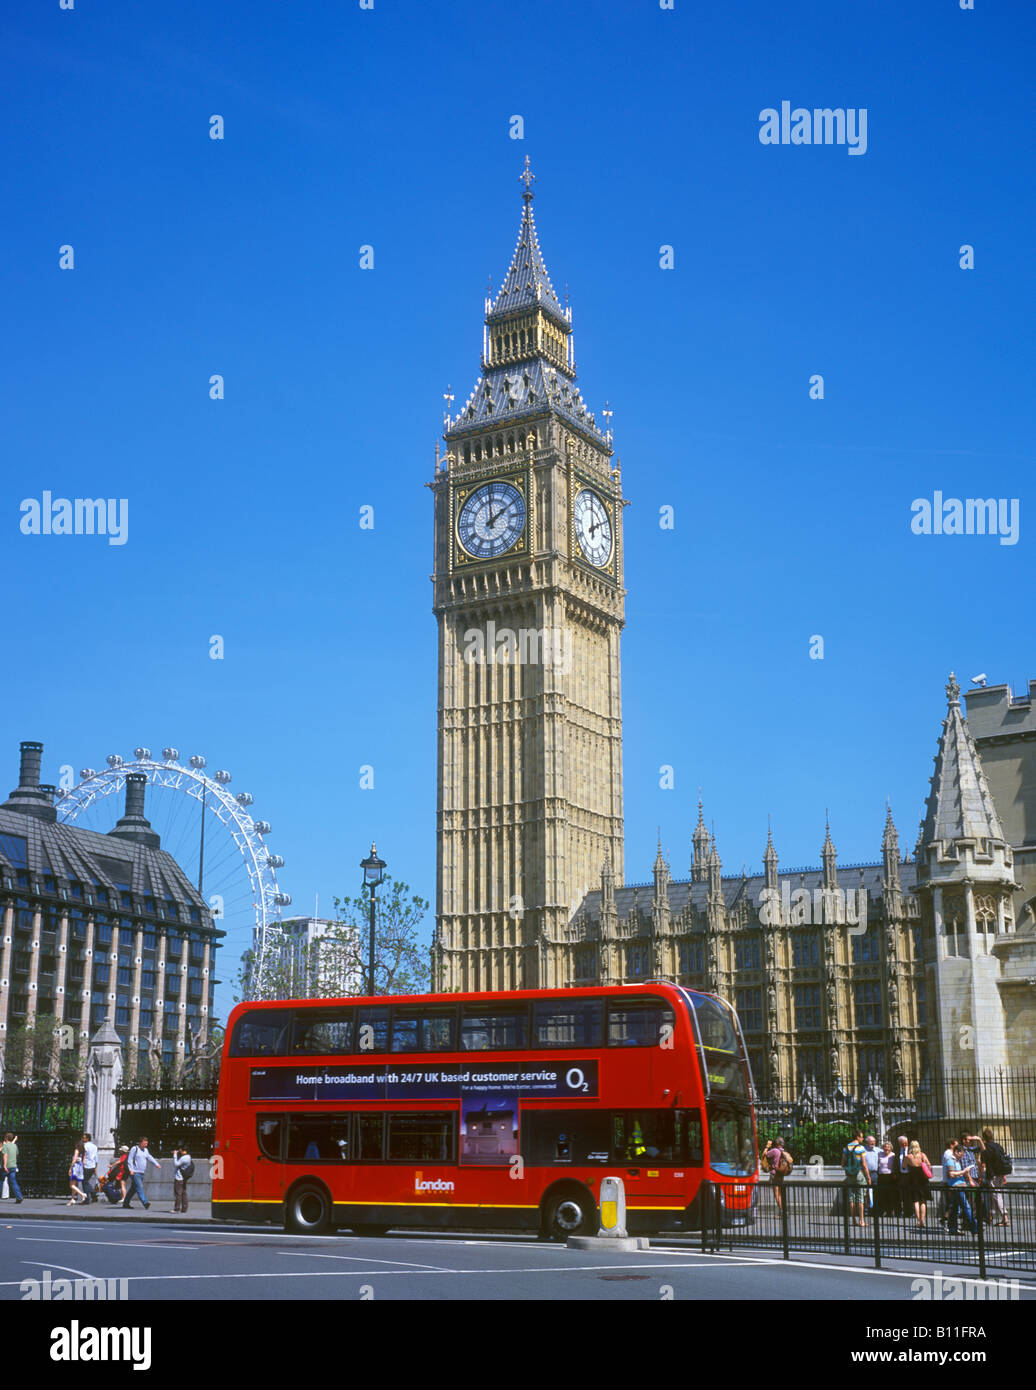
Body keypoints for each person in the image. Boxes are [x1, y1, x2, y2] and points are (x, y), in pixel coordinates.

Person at [974, 1126, 1010, 1226]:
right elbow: (1003, 1160)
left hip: (992, 1174)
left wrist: (980, 1176)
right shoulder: (998, 1146)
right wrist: (1004, 1175)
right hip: (1000, 1173)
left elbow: (982, 1164)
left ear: (984, 1138)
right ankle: (990, 1216)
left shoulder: (986, 1148)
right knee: (994, 1195)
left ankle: (1005, 1217)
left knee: (996, 1195)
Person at [946, 1143, 978, 1235]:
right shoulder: (950, 1161)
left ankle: (953, 1228)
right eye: (961, 1154)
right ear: (956, 1152)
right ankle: (974, 1227)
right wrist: (964, 1172)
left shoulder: (957, 1161)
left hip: (960, 1186)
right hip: (956, 1187)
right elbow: (951, 1174)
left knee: (955, 1208)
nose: (962, 1156)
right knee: (966, 1206)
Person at [123, 1136, 161, 1209]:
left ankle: (126, 1203)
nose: (146, 1145)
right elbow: (130, 1159)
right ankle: (145, 1202)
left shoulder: (145, 1150)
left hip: (141, 1172)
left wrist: (156, 1164)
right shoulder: (135, 1149)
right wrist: (131, 1169)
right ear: (140, 1143)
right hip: (135, 1172)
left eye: (147, 1143)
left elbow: (149, 1157)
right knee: (139, 1186)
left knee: (133, 1188)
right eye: (145, 1143)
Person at [842, 1129, 870, 1228]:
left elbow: (842, 1163)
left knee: (851, 1198)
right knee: (860, 1197)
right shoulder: (861, 1148)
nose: (862, 1138)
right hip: (859, 1174)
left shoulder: (846, 1147)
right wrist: (868, 1177)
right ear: (857, 1137)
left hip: (849, 1175)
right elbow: (864, 1164)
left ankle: (853, 1220)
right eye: (861, 1137)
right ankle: (861, 1220)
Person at [903, 1140, 932, 1230]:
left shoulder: (908, 1157)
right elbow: (929, 1164)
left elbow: (903, 1166)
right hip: (923, 1179)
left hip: (913, 1179)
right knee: (923, 1201)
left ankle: (918, 1221)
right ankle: (923, 1221)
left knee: (915, 1201)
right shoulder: (922, 1155)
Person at [763, 1136, 792, 1210]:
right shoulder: (784, 1151)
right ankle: (783, 1209)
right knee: (781, 1193)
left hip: (775, 1174)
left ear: (776, 1143)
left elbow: (764, 1155)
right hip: (781, 1174)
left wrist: (767, 1146)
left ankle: (782, 1211)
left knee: (776, 1193)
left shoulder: (775, 1151)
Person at [875, 1140, 896, 1217]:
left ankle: (890, 1211)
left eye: (888, 1148)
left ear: (890, 1148)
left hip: (890, 1176)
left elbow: (895, 1165)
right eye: (885, 1147)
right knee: (882, 1194)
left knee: (890, 1194)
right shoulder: (879, 1154)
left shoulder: (893, 1155)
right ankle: (883, 1210)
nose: (886, 1149)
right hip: (881, 1176)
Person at [893, 1135, 912, 1217]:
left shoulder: (911, 1151)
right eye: (902, 1143)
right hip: (901, 1176)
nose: (904, 1145)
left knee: (909, 1194)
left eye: (905, 1143)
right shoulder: (897, 1152)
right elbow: (895, 1163)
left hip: (909, 1175)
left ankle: (909, 1212)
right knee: (902, 1194)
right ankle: (901, 1211)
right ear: (899, 1144)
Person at [1, 1132, 22, 1204]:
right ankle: (19, 1197)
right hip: (13, 1166)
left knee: (1, 1181)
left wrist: (4, 1165)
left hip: (7, 1166)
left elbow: (5, 1156)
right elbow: (16, 1154)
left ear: (6, 1138)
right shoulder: (15, 1146)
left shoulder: (5, 1146)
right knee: (13, 1182)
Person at [172, 1144, 194, 1213]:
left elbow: (176, 1164)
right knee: (184, 1193)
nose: (179, 1151)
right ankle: (184, 1208)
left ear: (183, 1150)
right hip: (184, 1178)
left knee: (178, 1193)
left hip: (179, 1178)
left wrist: (175, 1155)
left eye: (180, 1149)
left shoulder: (183, 1158)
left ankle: (177, 1208)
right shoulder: (188, 1157)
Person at [862, 1135, 880, 1215]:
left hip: (876, 1174)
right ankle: (866, 1210)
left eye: (874, 1142)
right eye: (871, 1141)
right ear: (867, 1142)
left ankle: (876, 1209)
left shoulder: (879, 1150)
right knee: (865, 1192)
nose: (873, 1143)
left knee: (876, 1191)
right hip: (865, 1173)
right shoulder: (863, 1150)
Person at [81, 1132, 99, 1203]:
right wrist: (95, 1168)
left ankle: (87, 1198)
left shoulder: (84, 1146)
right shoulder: (94, 1146)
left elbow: (83, 1155)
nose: (82, 1139)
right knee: (86, 1181)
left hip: (86, 1165)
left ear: (87, 1139)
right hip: (92, 1165)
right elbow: (96, 1158)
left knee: (84, 1182)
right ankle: (93, 1194)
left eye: (83, 1138)